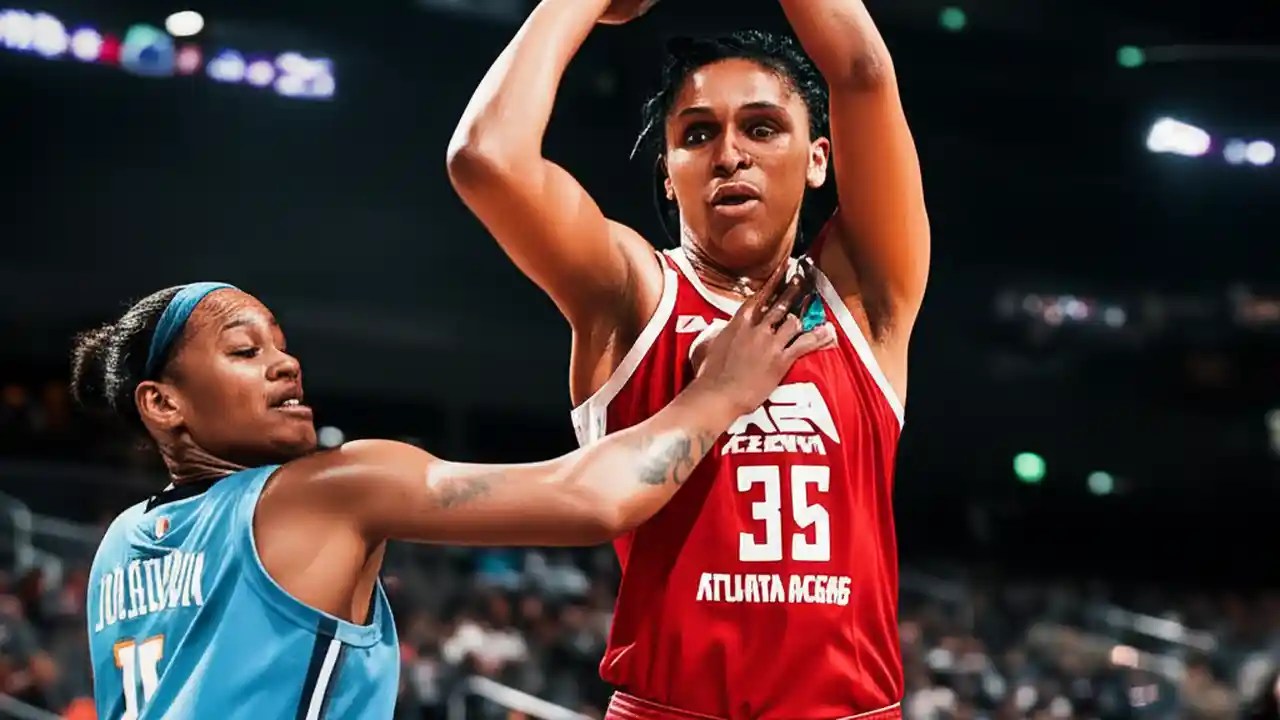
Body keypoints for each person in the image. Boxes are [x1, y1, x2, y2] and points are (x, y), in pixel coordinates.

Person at [446, 0, 930, 717]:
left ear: (819, 158)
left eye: (762, 128)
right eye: (698, 134)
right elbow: (486, 159)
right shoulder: (634, 296)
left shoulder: (862, 299)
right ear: (670, 174)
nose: (730, 153)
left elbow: (861, 70)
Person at [75, 278, 832, 720]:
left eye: (279, 343)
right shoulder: (324, 491)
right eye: (246, 351)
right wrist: (723, 391)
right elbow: (593, 497)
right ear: (161, 403)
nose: (286, 364)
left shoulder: (119, 544)